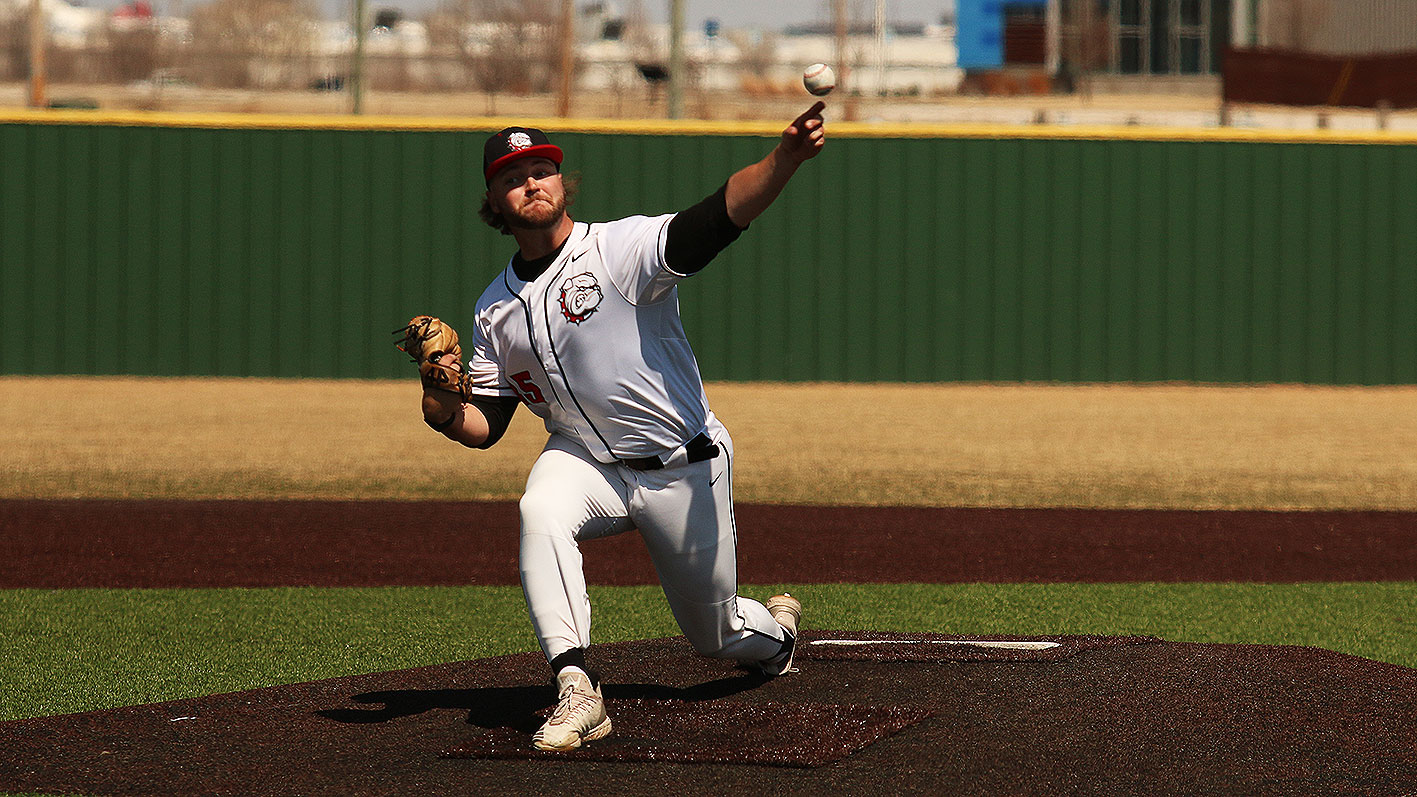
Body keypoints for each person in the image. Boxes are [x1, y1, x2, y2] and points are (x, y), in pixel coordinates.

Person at [419, 102, 826, 751]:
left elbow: (717, 218)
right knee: (540, 507)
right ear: (493, 201)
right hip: (585, 459)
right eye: (511, 177)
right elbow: (485, 424)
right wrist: (439, 404)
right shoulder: (494, 307)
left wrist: (784, 159)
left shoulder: (618, 251)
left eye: (541, 170)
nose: (530, 183)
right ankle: (576, 685)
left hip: (681, 464)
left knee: (715, 635)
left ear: (562, 181)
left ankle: (775, 635)